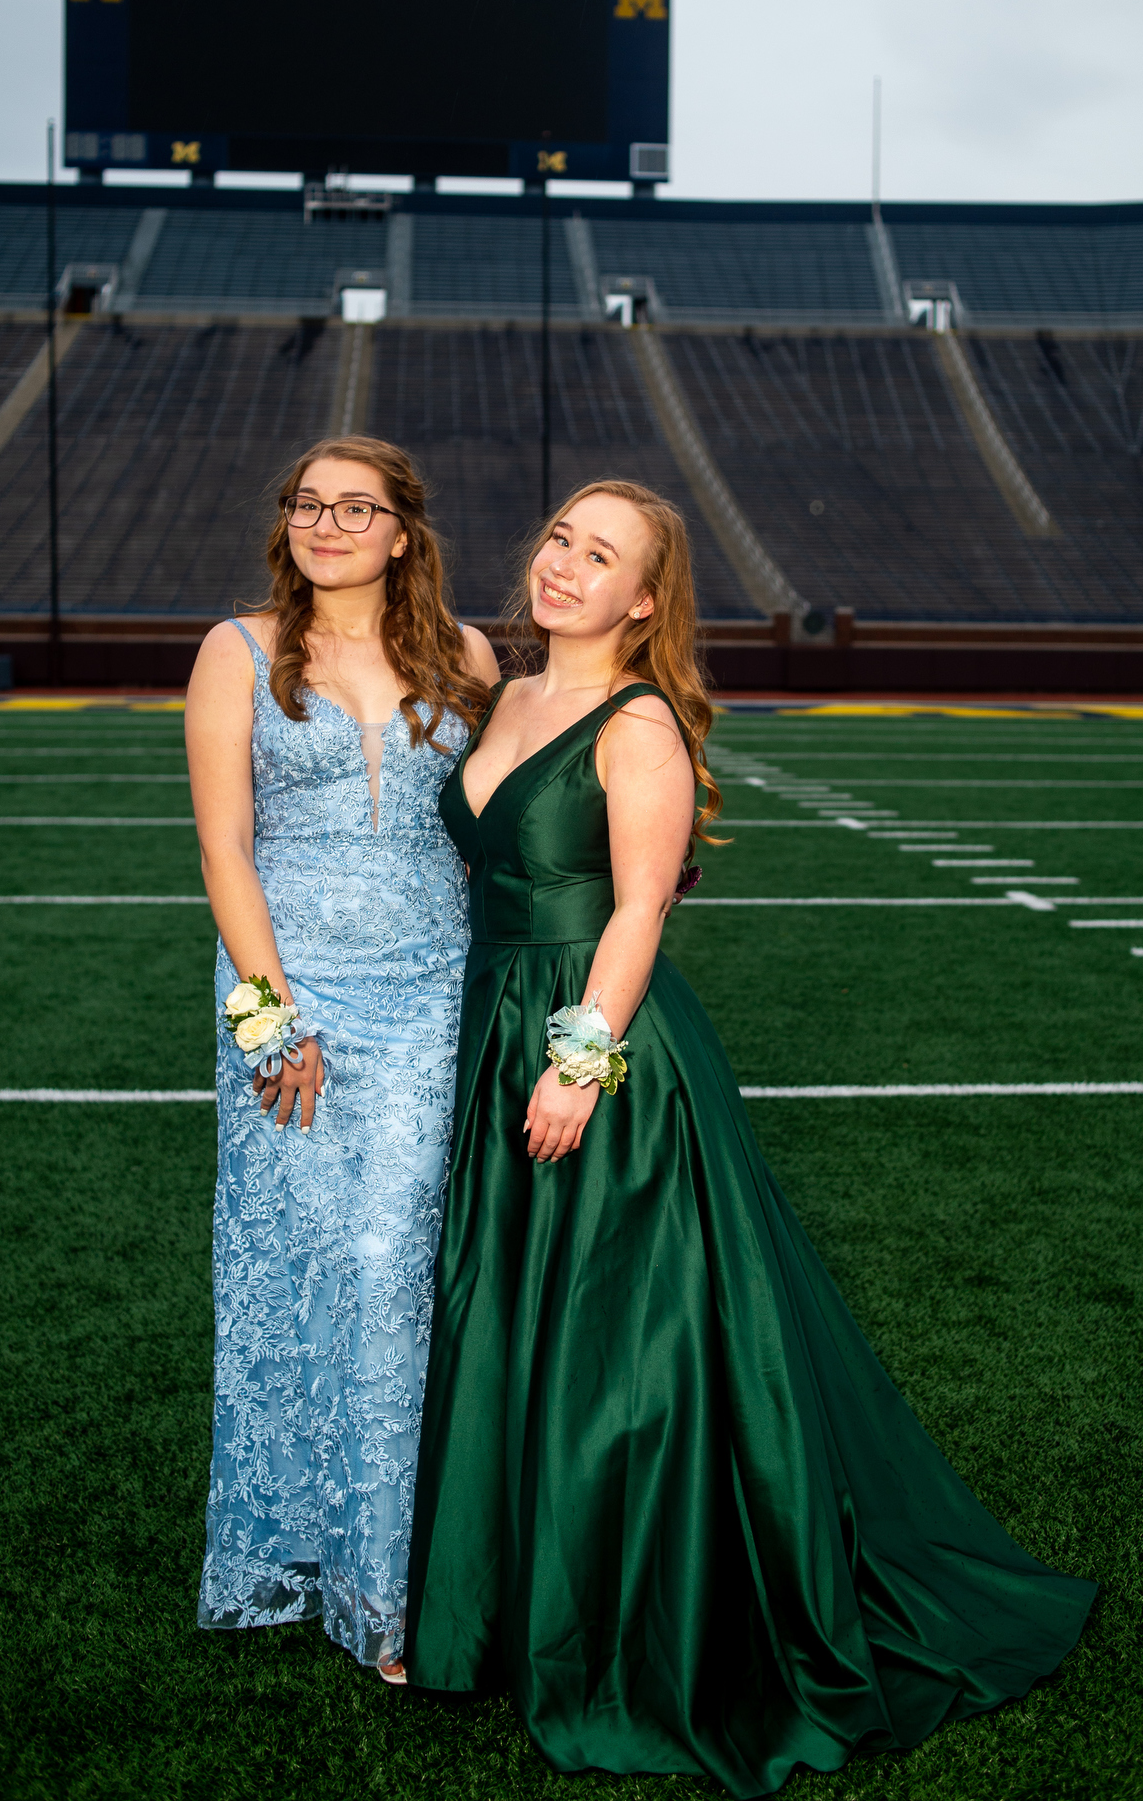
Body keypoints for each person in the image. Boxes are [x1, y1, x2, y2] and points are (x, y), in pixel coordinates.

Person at [403, 479, 1095, 1796]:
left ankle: (629, 1629)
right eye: (558, 537)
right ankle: (497, 1611)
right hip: (495, 1025)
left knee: (618, 1355)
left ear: (644, 599)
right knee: (508, 1323)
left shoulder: (641, 720)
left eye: (598, 555)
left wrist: (578, 1064)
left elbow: (639, 910)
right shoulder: (505, 691)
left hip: (592, 1054)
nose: (563, 565)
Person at [185, 435, 498, 1682]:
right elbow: (225, 850)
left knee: (387, 1268)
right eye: (308, 503)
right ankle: (290, 1549)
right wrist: (270, 1017)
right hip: (289, 989)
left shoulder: (466, 657)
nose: (327, 522)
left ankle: (389, 1586)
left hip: (430, 992)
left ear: (401, 531)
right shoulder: (240, 649)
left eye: (355, 506)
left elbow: (496, 825)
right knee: (289, 1268)